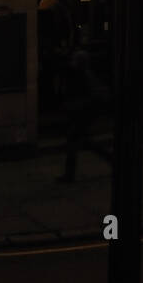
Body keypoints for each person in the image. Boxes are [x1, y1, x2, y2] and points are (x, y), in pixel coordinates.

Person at [56, 47, 112, 183]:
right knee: (84, 142)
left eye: (75, 60)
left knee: (74, 142)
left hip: (83, 114)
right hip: (83, 114)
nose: (72, 62)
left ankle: (69, 175)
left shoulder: (83, 76)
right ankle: (111, 158)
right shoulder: (83, 74)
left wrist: (75, 107)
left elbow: (87, 97)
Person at [38, 0, 76, 111]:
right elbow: (64, 27)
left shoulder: (43, 2)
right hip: (56, 48)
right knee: (58, 75)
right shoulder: (57, 5)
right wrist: (65, 47)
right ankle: (57, 101)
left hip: (48, 48)